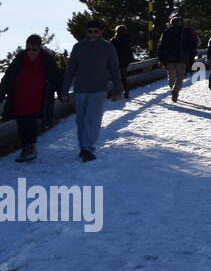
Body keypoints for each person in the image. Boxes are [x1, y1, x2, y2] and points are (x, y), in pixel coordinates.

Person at [0, 34, 69, 163]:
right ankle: (26, 147)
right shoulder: (20, 59)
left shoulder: (46, 60)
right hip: (19, 97)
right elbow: (7, 78)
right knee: (21, 122)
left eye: (34, 49)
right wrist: (1, 94)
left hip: (37, 98)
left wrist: (61, 94)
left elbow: (57, 79)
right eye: (28, 49)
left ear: (40, 48)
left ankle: (30, 147)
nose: (31, 52)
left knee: (30, 121)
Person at [63, 20, 123, 161]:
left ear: (101, 32)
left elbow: (115, 69)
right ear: (86, 32)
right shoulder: (78, 47)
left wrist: (117, 90)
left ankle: (87, 148)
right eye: (90, 31)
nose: (93, 34)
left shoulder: (108, 47)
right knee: (81, 121)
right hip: (80, 90)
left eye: (96, 31)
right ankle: (83, 147)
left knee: (92, 120)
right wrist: (64, 91)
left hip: (99, 89)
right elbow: (70, 70)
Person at [158, 15, 199, 103]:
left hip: (169, 58)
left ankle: (172, 88)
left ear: (171, 23)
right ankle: (175, 90)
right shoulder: (187, 31)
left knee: (171, 76)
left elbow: (161, 47)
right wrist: (190, 55)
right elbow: (193, 44)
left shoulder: (166, 32)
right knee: (180, 76)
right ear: (180, 23)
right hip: (182, 58)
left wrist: (161, 59)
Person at [111, 25, 134, 101]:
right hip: (125, 61)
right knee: (123, 77)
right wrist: (131, 59)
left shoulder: (113, 40)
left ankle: (117, 92)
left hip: (116, 61)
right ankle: (126, 92)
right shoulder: (127, 39)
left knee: (117, 77)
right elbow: (129, 50)